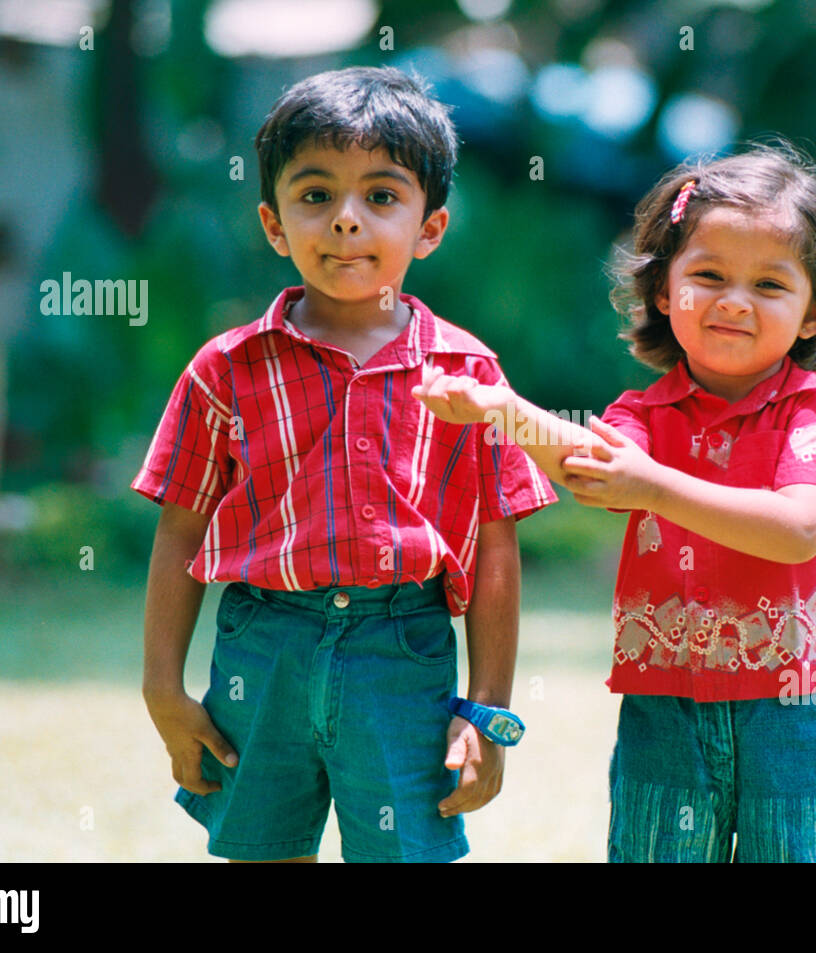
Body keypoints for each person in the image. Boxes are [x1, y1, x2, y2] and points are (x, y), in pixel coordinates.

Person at [131, 66, 556, 863]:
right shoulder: (224, 371)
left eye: (383, 197)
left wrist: (487, 710)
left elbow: (492, 547)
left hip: (402, 649)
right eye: (316, 195)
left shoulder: (469, 375)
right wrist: (163, 686)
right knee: (262, 849)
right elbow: (180, 526)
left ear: (429, 228)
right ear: (273, 221)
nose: (346, 222)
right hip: (264, 645)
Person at [412, 139, 816, 862]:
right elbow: (584, 461)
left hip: (798, 713)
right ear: (664, 291)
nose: (733, 301)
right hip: (666, 709)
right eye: (709, 275)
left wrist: (653, 484)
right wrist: (499, 407)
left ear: (814, 313)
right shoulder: (645, 415)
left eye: (769, 285)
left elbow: (799, 528)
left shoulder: (811, 408)